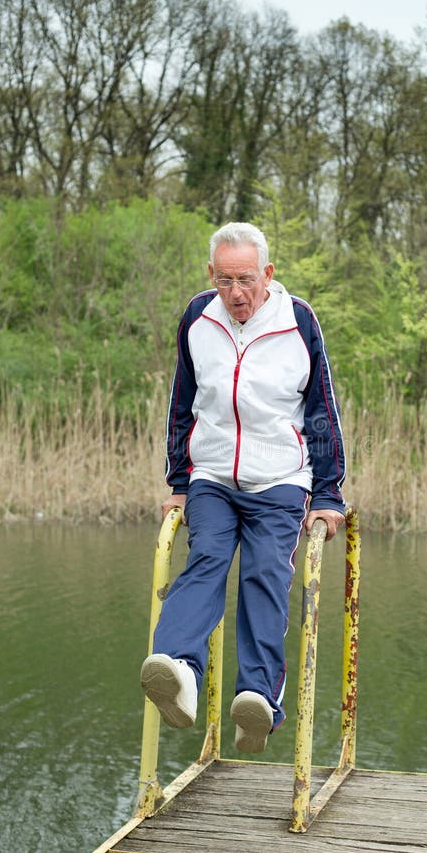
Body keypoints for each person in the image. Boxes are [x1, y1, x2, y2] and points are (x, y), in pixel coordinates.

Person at [140, 221, 345, 753]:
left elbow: (322, 409)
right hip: (211, 476)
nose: (236, 293)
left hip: (280, 479)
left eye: (247, 280)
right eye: (225, 280)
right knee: (206, 556)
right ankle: (178, 672)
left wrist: (327, 494)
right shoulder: (197, 317)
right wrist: (180, 482)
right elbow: (181, 403)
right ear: (212, 275)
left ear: (268, 275)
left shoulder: (297, 321)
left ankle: (256, 702)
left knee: (265, 573)